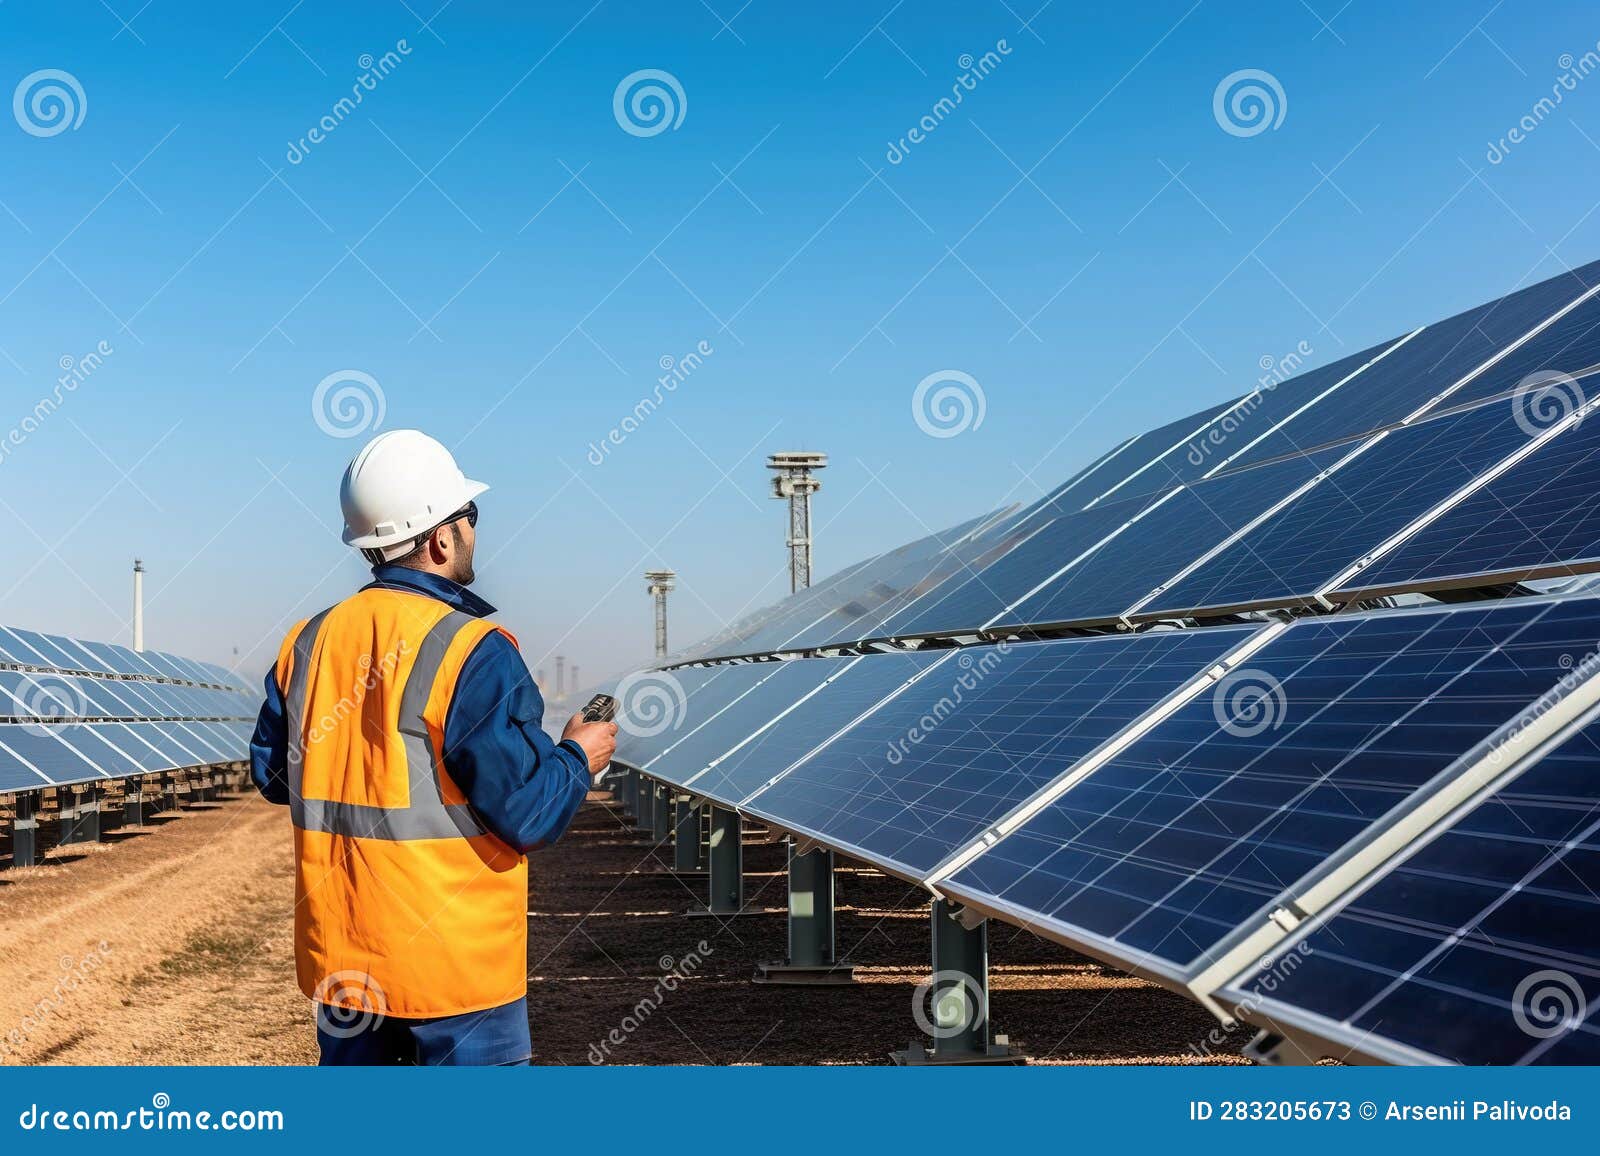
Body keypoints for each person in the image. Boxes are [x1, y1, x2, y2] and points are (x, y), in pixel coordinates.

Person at [250, 429, 617, 1065]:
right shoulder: (474, 651)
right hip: (454, 971)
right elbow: (527, 815)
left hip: (346, 961)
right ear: (441, 538)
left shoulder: (307, 642)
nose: (474, 530)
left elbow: (275, 777)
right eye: (469, 515)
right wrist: (577, 757)